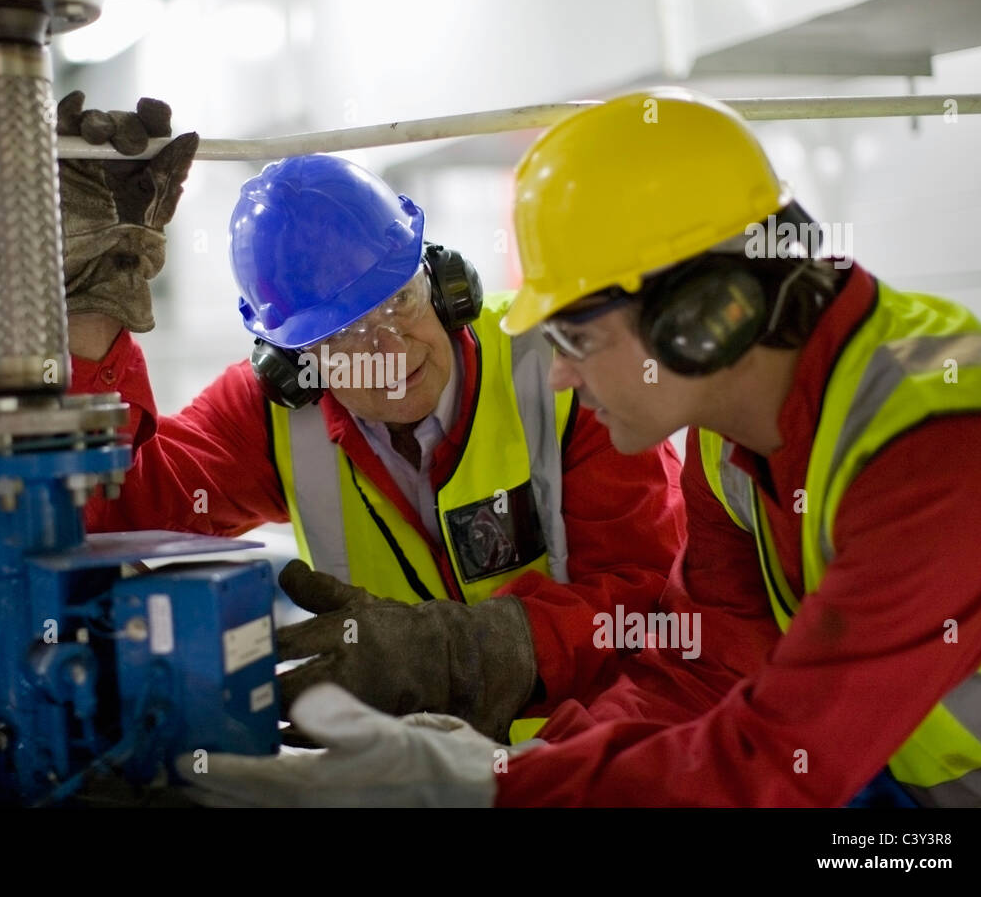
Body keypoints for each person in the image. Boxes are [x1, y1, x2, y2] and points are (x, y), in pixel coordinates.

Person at [176, 87, 981, 807]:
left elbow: (764, 766)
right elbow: (696, 674)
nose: (559, 379)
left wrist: (487, 792)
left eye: (575, 334)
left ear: (702, 317)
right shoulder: (731, 445)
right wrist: (520, 763)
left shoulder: (940, 450)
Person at [55, 92, 685, 740]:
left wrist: (463, 653)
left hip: (588, 774)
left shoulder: (563, 369)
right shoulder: (270, 411)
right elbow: (106, 515)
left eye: (400, 300)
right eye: (348, 334)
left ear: (441, 278)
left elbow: (651, 603)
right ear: (292, 359)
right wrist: (91, 312)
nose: (391, 349)